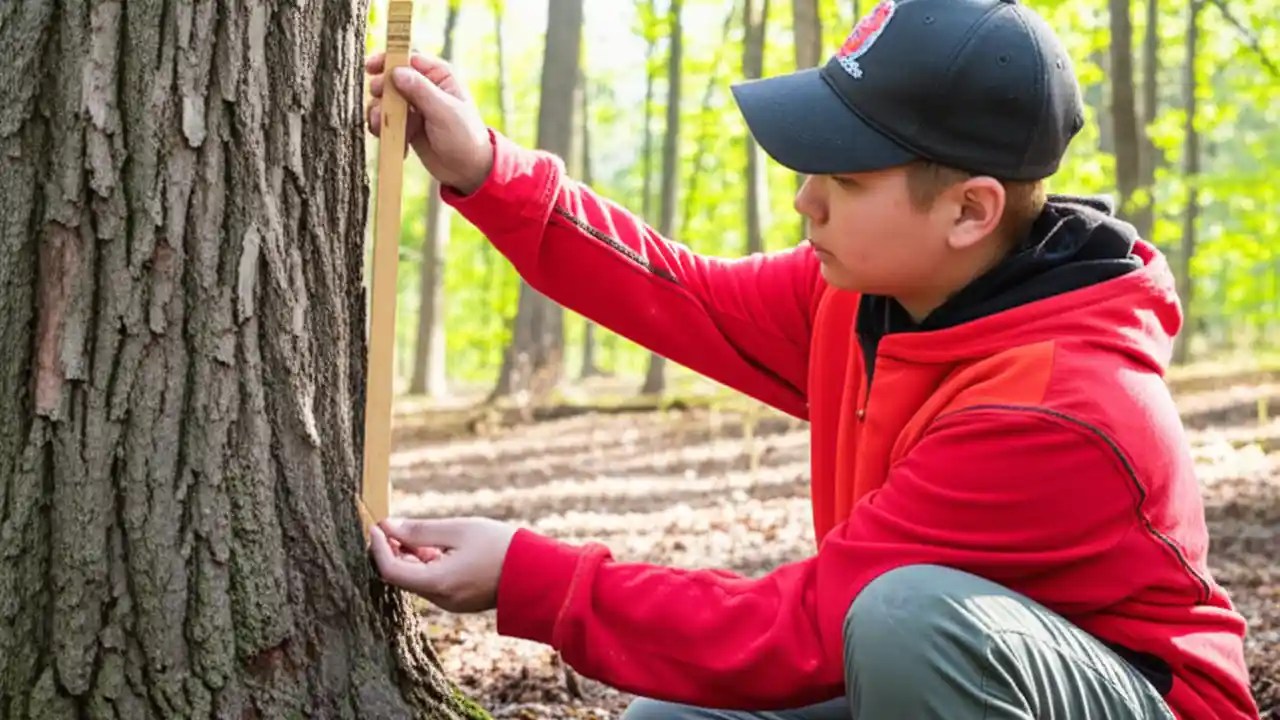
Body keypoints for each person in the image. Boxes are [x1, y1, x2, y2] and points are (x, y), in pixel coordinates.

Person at [362, 0, 1260, 717]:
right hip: (935, 675)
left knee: (908, 622)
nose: (804, 201)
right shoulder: (878, 292)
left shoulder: (1058, 407)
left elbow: (805, 627)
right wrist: (486, 168)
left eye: (845, 177)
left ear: (970, 211)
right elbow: (687, 297)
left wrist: (526, 577)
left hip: (1128, 698)